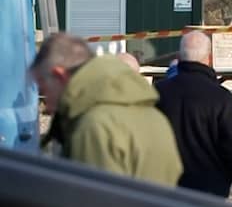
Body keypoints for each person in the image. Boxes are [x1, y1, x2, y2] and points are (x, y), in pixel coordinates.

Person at [30, 33, 182, 185]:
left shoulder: (93, 129)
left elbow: (92, 203)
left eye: (43, 90)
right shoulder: (154, 117)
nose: (47, 106)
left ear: (59, 76)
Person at [155, 31, 232, 197]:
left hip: (167, 182)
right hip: (211, 184)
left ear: (179, 57)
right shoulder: (221, 97)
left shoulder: (159, 92)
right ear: (209, 58)